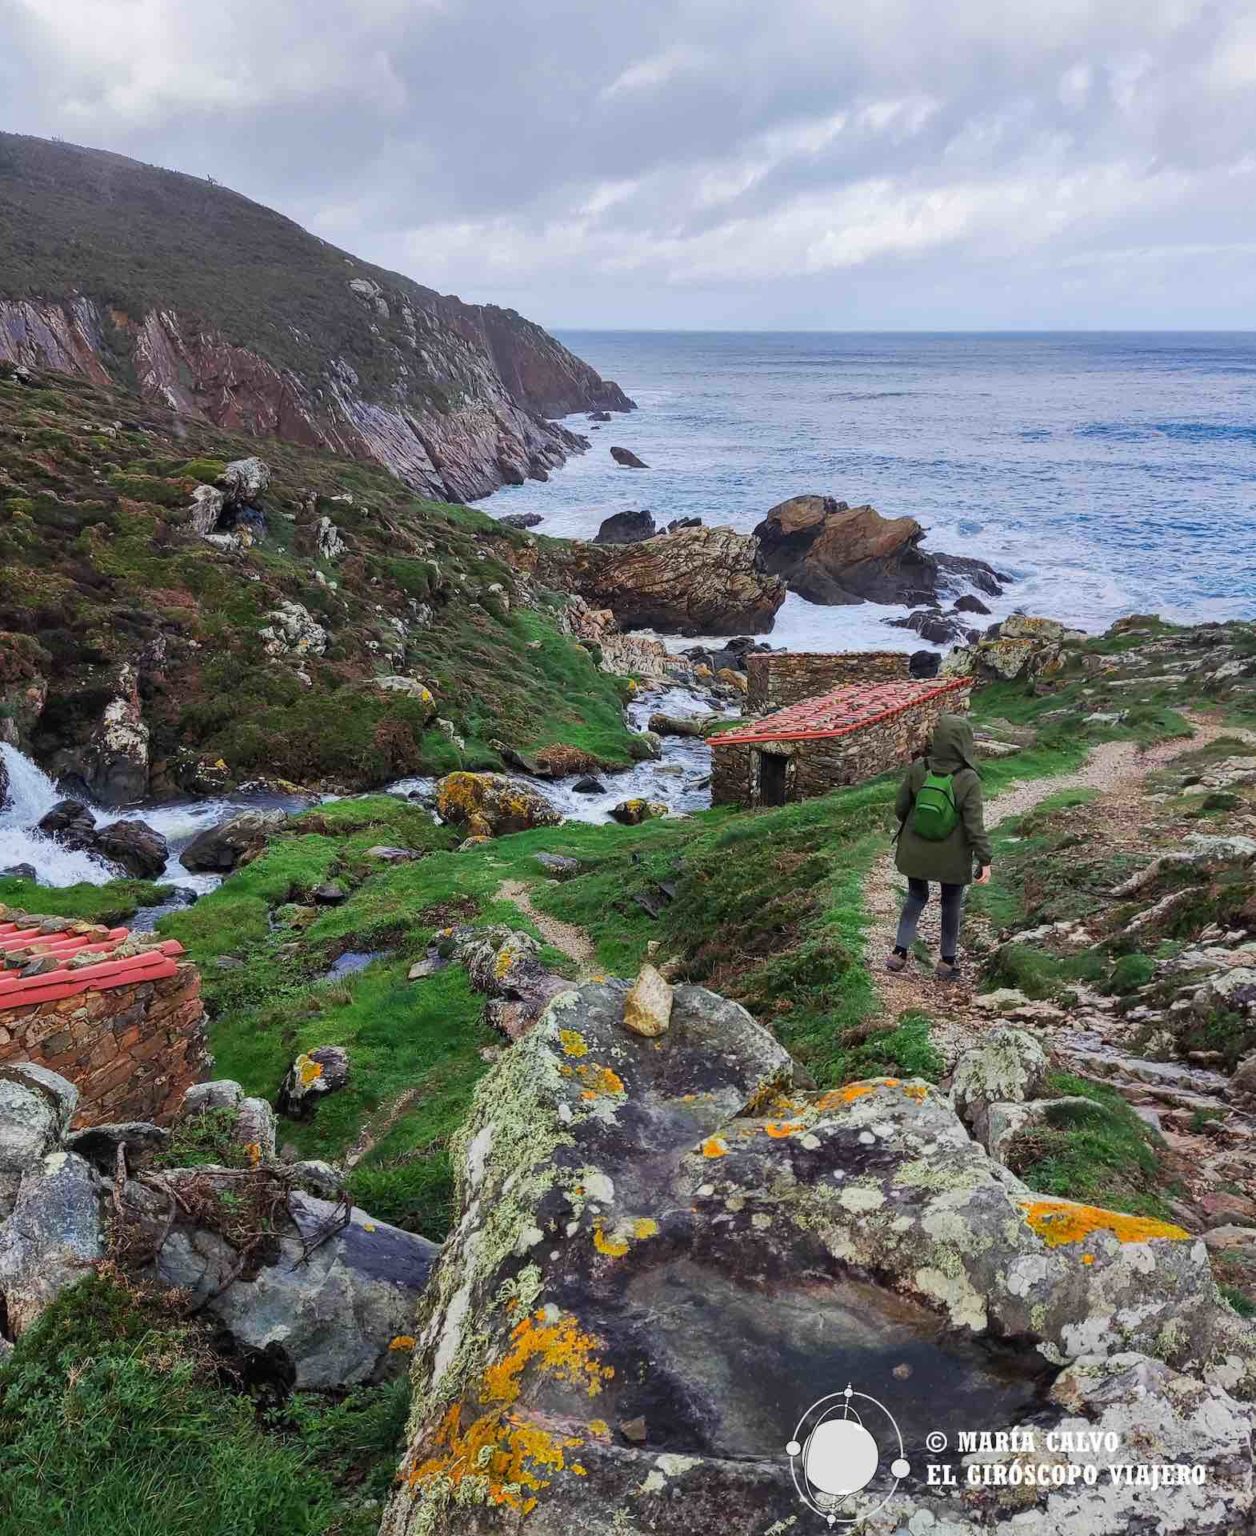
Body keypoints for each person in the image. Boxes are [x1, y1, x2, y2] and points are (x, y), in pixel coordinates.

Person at [886, 712, 992, 982]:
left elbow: (900, 808)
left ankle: (899, 952)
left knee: (916, 895)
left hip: (915, 850)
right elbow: (974, 825)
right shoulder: (968, 778)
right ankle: (946, 961)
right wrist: (985, 859)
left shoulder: (919, 768)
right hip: (952, 857)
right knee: (951, 902)